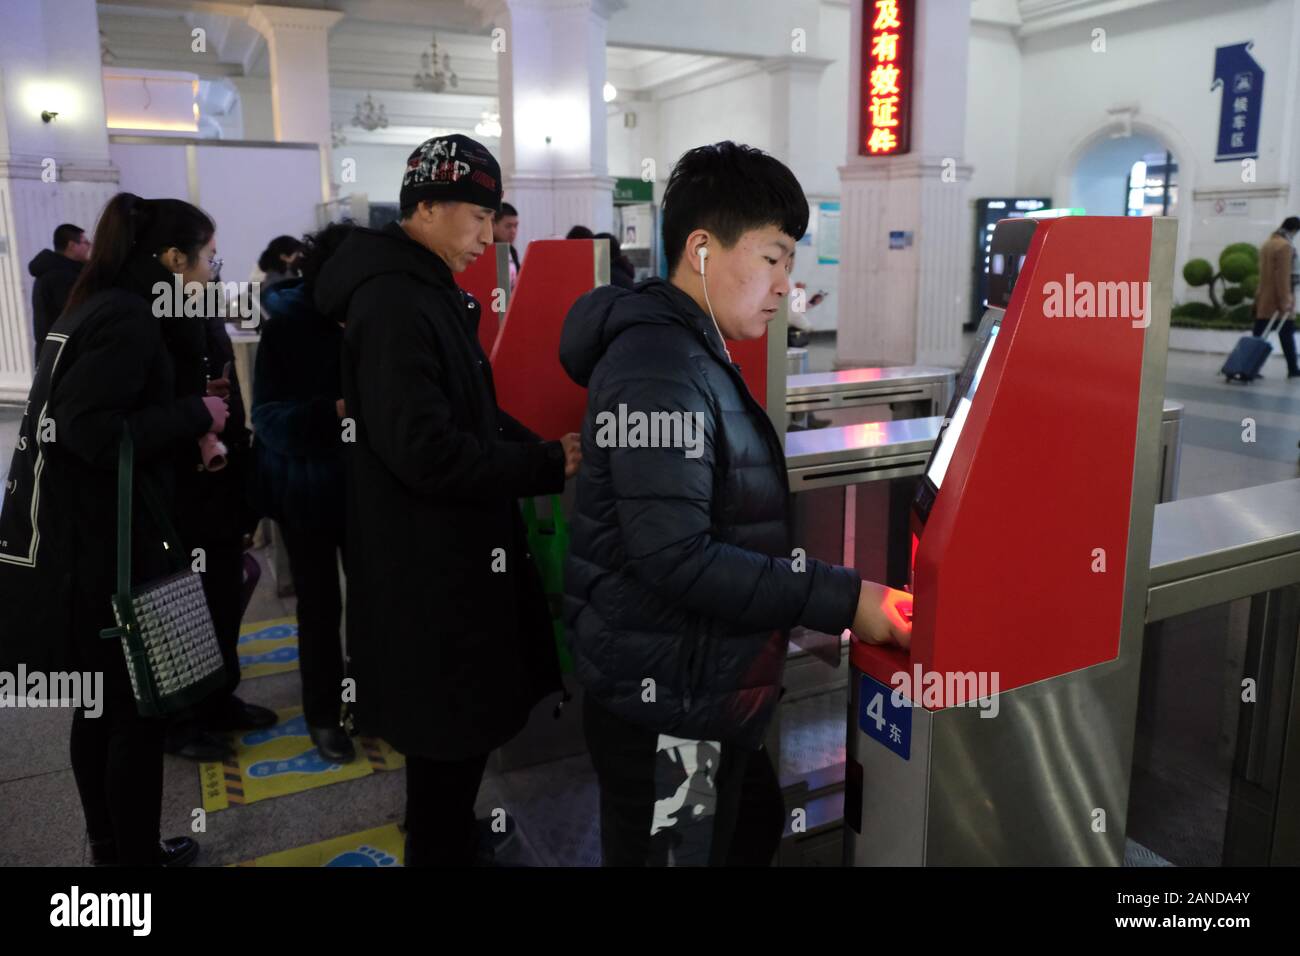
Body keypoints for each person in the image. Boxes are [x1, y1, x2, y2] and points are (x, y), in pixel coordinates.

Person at [559, 141, 911, 867]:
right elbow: (676, 557)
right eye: (774, 256)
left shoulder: (688, 349)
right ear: (701, 249)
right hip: (669, 710)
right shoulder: (661, 367)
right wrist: (845, 599)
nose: (788, 282)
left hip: (696, 686)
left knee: (747, 828)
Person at [313, 134, 582, 866]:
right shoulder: (398, 303)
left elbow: (469, 410)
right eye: (476, 216)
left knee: (453, 733)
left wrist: (545, 452)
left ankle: (448, 832)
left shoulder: (421, 290)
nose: (488, 235)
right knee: (448, 729)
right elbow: (425, 450)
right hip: (431, 565)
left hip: (442, 555)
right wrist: (538, 464)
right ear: (425, 207)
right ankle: (440, 847)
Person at [0, 193, 229, 865]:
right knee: (132, 715)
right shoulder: (129, 319)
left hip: (69, 545)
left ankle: (112, 849)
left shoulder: (92, 302)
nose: (213, 274)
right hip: (100, 552)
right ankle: (133, 861)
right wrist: (195, 413)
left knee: (97, 707)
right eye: (207, 259)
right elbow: (90, 432)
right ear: (171, 259)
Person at [253, 223, 356, 761]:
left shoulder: (375, 319)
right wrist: (332, 414)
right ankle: (323, 713)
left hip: (366, 486)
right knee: (319, 603)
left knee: (370, 596)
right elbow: (266, 418)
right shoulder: (288, 326)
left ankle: (364, 698)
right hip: (307, 487)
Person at [161, 277, 271, 761]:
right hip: (180, 488)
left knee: (224, 594)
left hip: (220, 477)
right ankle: (180, 722)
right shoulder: (143, 318)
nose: (214, 269)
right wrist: (192, 403)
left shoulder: (201, 313)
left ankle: (218, 698)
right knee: (186, 604)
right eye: (207, 256)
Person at [28, 223, 91, 358]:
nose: (89, 246)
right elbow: (75, 315)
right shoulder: (61, 277)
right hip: (62, 354)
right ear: (72, 246)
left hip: (54, 352)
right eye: (85, 242)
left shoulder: (54, 271)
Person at [1254, 216, 1300, 379]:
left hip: (1265, 298)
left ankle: (1251, 366)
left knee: (1259, 335)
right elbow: (1283, 276)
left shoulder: (1268, 243)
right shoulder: (1285, 246)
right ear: (1294, 230)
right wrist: (1286, 299)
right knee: (1287, 334)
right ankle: (1293, 368)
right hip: (1278, 300)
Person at [492, 201, 521, 286]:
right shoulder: (485, 251)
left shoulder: (512, 251)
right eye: (508, 226)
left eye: (515, 226)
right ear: (493, 225)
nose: (513, 231)